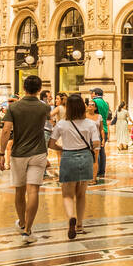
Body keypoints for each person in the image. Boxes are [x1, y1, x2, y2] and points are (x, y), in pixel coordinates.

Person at [0, 75, 53, 242]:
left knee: (19, 190)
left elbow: (6, 130)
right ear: (39, 89)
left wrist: (1, 154)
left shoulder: (14, 107)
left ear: (23, 88)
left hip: (19, 153)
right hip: (38, 152)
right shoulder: (45, 108)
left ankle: (22, 222)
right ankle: (28, 231)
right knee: (34, 190)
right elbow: (50, 126)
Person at [47, 93, 99, 239]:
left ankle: (71, 217)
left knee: (67, 194)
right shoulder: (90, 124)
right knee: (81, 194)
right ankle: (80, 225)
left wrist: (62, 149)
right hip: (85, 158)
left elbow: (51, 143)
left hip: (68, 157)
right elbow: (96, 144)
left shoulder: (62, 124)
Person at [90, 89, 111, 182]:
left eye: (92, 93)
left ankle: (96, 170)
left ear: (96, 94)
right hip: (104, 128)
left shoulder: (94, 101)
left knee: (96, 152)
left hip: (97, 129)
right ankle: (102, 171)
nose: (91, 94)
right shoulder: (105, 103)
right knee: (102, 151)